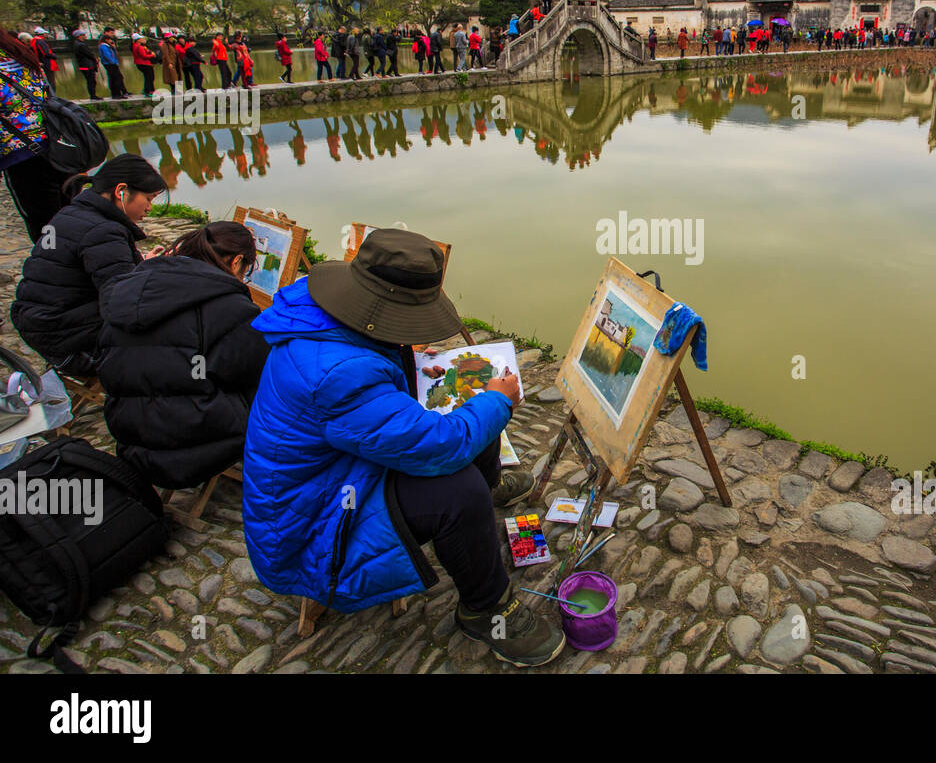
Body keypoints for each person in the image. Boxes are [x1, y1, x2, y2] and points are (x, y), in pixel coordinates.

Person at [241, 229, 564, 667]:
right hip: (311, 526)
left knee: (468, 410)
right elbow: (440, 447)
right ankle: (486, 608)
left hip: (336, 474)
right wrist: (499, 400)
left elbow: (367, 365)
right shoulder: (338, 375)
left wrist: (407, 358)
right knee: (460, 486)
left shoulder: (319, 313)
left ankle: (488, 495)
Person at [97, 221, 269, 489]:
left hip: (125, 427)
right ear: (236, 262)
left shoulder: (129, 286)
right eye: (246, 271)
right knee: (270, 388)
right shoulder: (231, 307)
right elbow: (250, 371)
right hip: (185, 446)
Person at [10, 154, 166, 377]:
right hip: (70, 344)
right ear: (121, 191)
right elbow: (123, 301)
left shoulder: (72, 213)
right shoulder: (104, 230)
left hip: (41, 325)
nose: (149, 208)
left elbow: (101, 271)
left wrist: (141, 264)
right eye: (148, 199)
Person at [0, 29, 77, 243]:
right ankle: (76, 255)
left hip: (23, 156)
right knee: (70, 212)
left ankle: (53, 258)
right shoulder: (20, 56)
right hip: (57, 146)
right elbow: (48, 96)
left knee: (44, 223)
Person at [100, 30, 129, 99]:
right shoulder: (103, 46)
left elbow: (115, 54)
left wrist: (114, 48)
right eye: (110, 39)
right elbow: (107, 56)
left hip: (112, 64)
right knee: (115, 79)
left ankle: (119, 93)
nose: (111, 41)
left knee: (118, 78)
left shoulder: (108, 46)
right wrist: (114, 62)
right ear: (106, 40)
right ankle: (116, 94)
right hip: (110, 64)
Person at [29, 28, 58, 95]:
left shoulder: (33, 41)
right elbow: (46, 53)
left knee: (45, 80)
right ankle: (52, 96)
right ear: (42, 34)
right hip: (47, 63)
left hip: (40, 62)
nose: (46, 35)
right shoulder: (41, 42)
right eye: (45, 33)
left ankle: (48, 95)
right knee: (51, 81)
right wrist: (54, 56)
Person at [72, 29, 99, 99]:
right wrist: (95, 59)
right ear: (79, 36)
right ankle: (93, 95)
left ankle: (93, 95)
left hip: (83, 65)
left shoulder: (76, 44)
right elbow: (89, 54)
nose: (85, 36)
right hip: (87, 65)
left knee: (90, 80)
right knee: (91, 81)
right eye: (83, 35)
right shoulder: (81, 45)